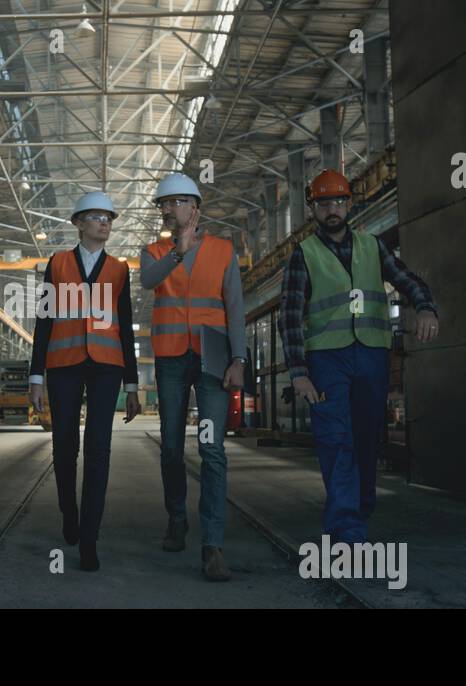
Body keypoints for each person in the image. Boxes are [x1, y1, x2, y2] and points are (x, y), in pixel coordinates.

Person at [277, 168, 439, 544]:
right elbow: (289, 317)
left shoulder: (373, 246)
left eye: (337, 200)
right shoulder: (304, 255)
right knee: (336, 438)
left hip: (371, 356)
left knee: (366, 438)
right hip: (326, 361)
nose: (331, 208)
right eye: (322, 202)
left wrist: (425, 307)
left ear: (349, 204)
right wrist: (299, 372)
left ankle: (358, 509)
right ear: (312, 209)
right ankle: (346, 531)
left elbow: (407, 278)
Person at [140, 173, 246, 582]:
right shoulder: (153, 251)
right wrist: (178, 252)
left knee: (212, 449)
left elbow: (234, 307)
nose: (165, 210)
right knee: (170, 447)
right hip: (169, 359)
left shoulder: (222, 250)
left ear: (194, 207)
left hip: (212, 359)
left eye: (172, 203)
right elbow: (149, 281)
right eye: (162, 205)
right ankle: (176, 519)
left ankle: (212, 545)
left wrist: (238, 358)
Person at [28, 192, 141, 572]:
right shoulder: (57, 264)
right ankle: (68, 512)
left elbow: (125, 327)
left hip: (107, 365)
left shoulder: (119, 270)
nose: (104, 223)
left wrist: (132, 384)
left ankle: (89, 538)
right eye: (96, 217)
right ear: (79, 223)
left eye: (108, 217)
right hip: (63, 364)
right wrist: (35, 375)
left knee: (99, 449)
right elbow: (43, 321)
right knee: (64, 446)